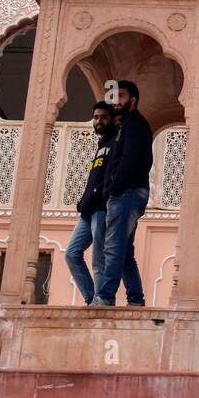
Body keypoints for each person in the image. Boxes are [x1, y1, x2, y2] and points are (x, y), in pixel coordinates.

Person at [91, 80, 153, 307]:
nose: (116, 101)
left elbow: (130, 161)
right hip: (124, 193)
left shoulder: (135, 125)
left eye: (122, 96)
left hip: (127, 193)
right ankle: (135, 299)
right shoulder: (125, 126)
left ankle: (105, 297)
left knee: (113, 247)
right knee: (125, 251)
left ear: (133, 100)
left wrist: (113, 188)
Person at [65, 101, 114, 304]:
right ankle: (91, 297)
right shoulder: (100, 145)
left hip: (101, 209)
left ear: (111, 119)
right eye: (95, 117)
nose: (99, 121)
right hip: (88, 210)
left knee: (98, 260)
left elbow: (110, 177)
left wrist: (99, 194)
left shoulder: (114, 143)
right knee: (71, 254)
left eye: (103, 117)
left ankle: (101, 301)